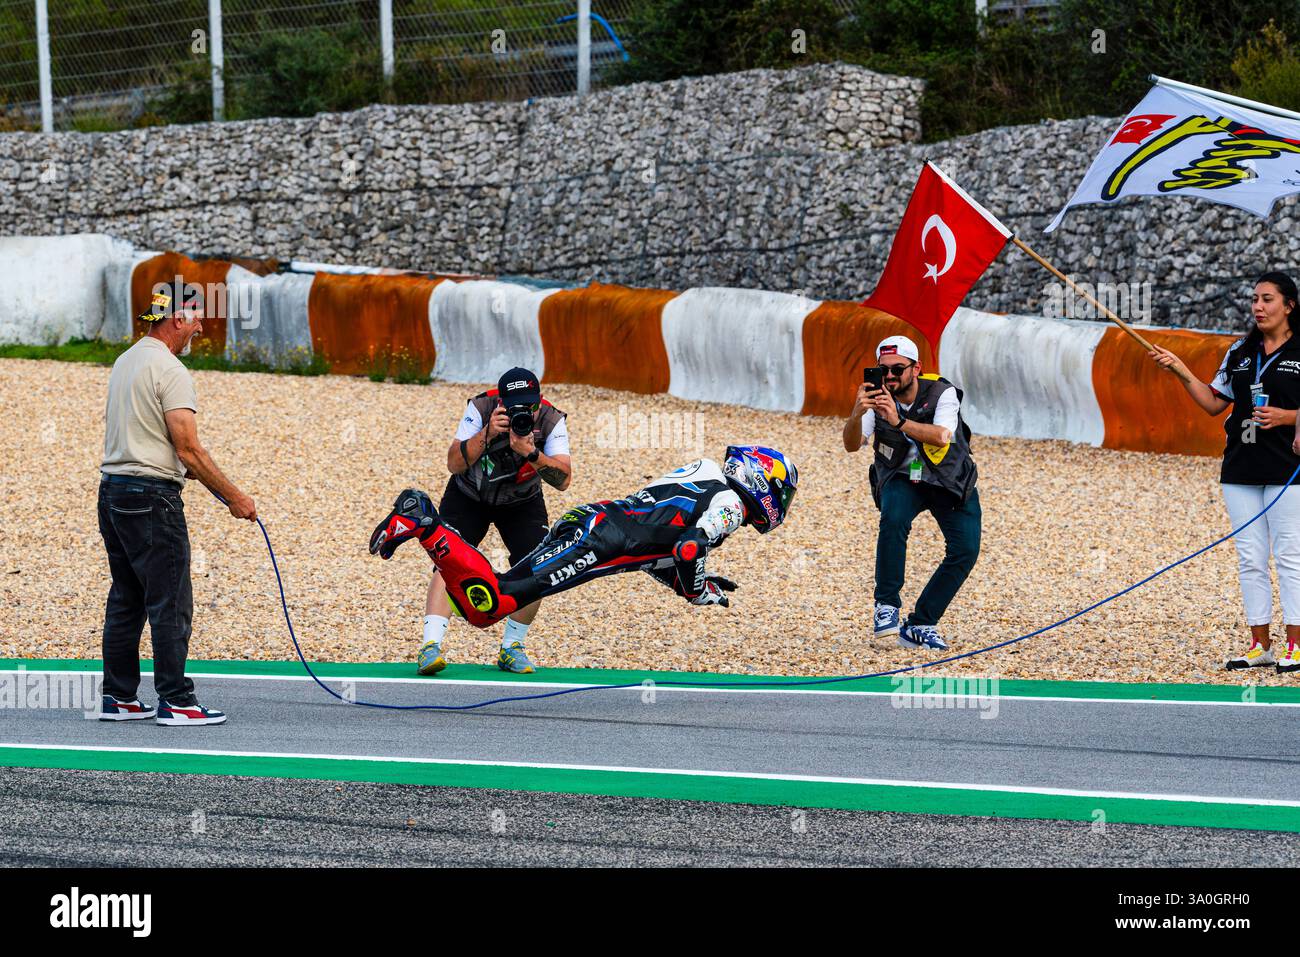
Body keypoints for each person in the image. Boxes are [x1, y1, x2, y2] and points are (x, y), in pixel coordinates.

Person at [368, 447, 797, 629]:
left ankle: (424, 527)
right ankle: (425, 522)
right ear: (759, 477)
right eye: (781, 490)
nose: (780, 501)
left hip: (592, 523)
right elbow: (688, 548)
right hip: (598, 541)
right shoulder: (731, 506)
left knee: (480, 607)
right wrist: (698, 590)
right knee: (492, 603)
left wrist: (688, 581)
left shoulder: (705, 474)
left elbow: (659, 549)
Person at [96, 286, 257, 726]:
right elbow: (189, 449)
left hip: (111, 492)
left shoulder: (126, 361)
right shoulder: (171, 369)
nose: (202, 326)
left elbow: (144, 434)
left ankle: (119, 697)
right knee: (170, 600)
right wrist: (234, 497)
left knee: (126, 597)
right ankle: (177, 701)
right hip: (151, 498)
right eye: (197, 318)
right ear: (178, 320)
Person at [1149, 271, 1300, 675]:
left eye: (1268, 299)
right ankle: (1259, 645)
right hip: (1240, 466)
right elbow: (1215, 403)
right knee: (1250, 558)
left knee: (1289, 556)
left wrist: (1290, 416)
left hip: (1289, 468)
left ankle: (1296, 646)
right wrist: (1180, 370)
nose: (1258, 307)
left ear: (1289, 305)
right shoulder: (1239, 351)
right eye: (1254, 299)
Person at [418, 368, 572, 675]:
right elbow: (453, 463)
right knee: (446, 558)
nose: (523, 413)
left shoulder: (553, 420)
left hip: (522, 501)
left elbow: (564, 480)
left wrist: (531, 453)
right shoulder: (480, 407)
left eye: (529, 407)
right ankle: (429, 647)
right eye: (514, 407)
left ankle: (512, 647)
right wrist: (487, 433)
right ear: (501, 401)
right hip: (468, 494)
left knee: (539, 566)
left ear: (538, 403)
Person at [843, 335, 980, 652]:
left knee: (966, 549)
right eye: (883, 370)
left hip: (949, 479)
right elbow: (851, 444)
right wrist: (856, 411)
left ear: (916, 368)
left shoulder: (942, 393)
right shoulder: (874, 399)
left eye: (897, 369)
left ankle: (921, 623)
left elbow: (943, 436)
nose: (889, 377)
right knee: (893, 519)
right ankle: (886, 604)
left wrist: (898, 420)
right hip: (902, 476)